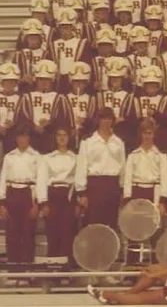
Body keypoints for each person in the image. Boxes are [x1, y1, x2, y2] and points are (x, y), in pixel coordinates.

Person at [88, 221, 167, 307]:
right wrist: (153, 273)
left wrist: (153, 275)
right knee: (153, 270)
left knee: (143, 297)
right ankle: (122, 296)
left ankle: (108, 295)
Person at [75, 107, 126, 227]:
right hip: (95, 186)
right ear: (98, 120)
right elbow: (82, 166)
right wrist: (82, 193)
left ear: (113, 120)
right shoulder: (88, 142)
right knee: (94, 225)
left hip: (113, 186)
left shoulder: (119, 142)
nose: (106, 121)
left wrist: (123, 190)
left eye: (109, 118)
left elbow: (123, 167)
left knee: (111, 225)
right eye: (103, 118)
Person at [0, 127, 40, 266]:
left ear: (29, 138)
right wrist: (2, 203)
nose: (22, 139)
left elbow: (40, 181)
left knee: (28, 233)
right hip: (12, 193)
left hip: (28, 193)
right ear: (16, 139)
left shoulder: (36, 156)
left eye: (25, 136)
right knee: (12, 235)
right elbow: (3, 179)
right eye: (20, 136)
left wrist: (36, 204)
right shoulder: (9, 156)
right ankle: (13, 272)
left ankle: (27, 270)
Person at [36, 126, 78, 259]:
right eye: (59, 135)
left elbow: (78, 180)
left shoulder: (75, 158)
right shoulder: (47, 158)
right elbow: (41, 180)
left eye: (65, 134)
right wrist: (44, 203)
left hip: (68, 195)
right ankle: (53, 268)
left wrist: (77, 202)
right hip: (53, 195)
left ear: (69, 137)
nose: (62, 137)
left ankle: (66, 269)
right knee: (53, 233)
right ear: (55, 138)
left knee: (68, 232)